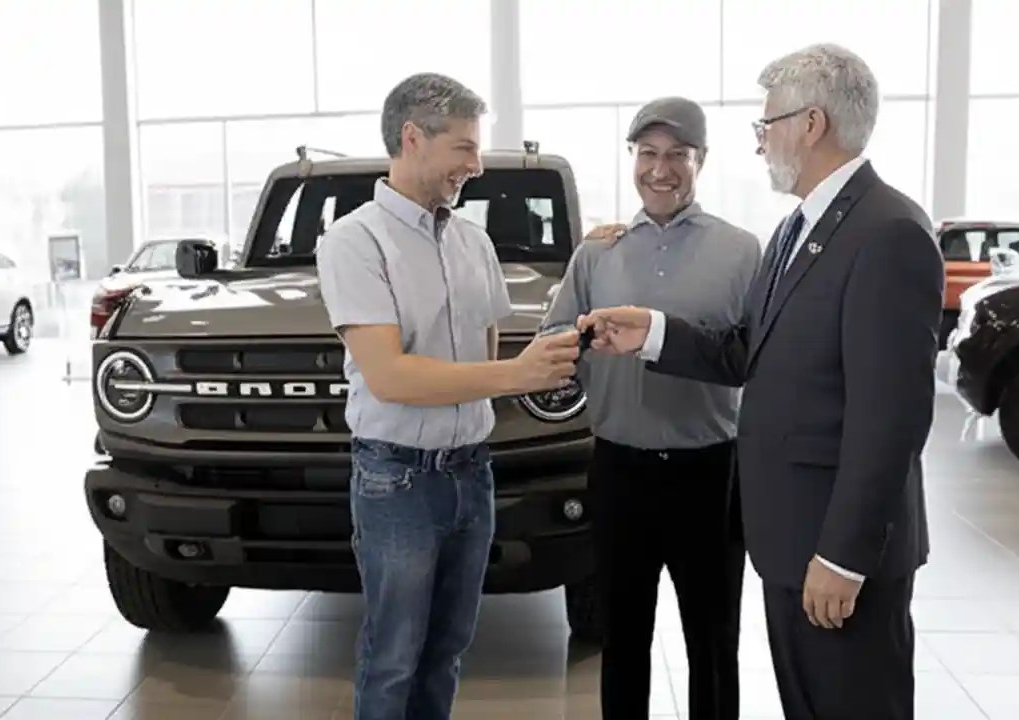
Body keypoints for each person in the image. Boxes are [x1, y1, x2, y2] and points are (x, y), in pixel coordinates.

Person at [577, 44, 942, 720]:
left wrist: (843, 555)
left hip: (834, 549)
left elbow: (891, 419)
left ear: (811, 124)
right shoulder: (797, 230)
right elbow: (751, 352)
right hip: (791, 539)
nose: (760, 142)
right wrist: (653, 332)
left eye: (765, 124)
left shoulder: (887, 231)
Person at [315, 72, 582, 720]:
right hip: (398, 481)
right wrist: (517, 377)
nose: (477, 163)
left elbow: (481, 348)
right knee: (394, 657)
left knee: (447, 649)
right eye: (464, 147)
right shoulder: (355, 241)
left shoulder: (473, 241)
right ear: (413, 138)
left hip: (472, 472)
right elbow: (393, 377)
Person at [542, 96, 759, 719]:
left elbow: (757, 357)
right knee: (622, 639)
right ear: (633, 159)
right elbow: (552, 348)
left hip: (711, 474)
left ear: (702, 161)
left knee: (713, 643)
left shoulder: (743, 252)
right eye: (648, 154)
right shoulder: (597, 253)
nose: (660, 169)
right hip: (618, 470)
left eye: (676, 156)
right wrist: (573, 337)